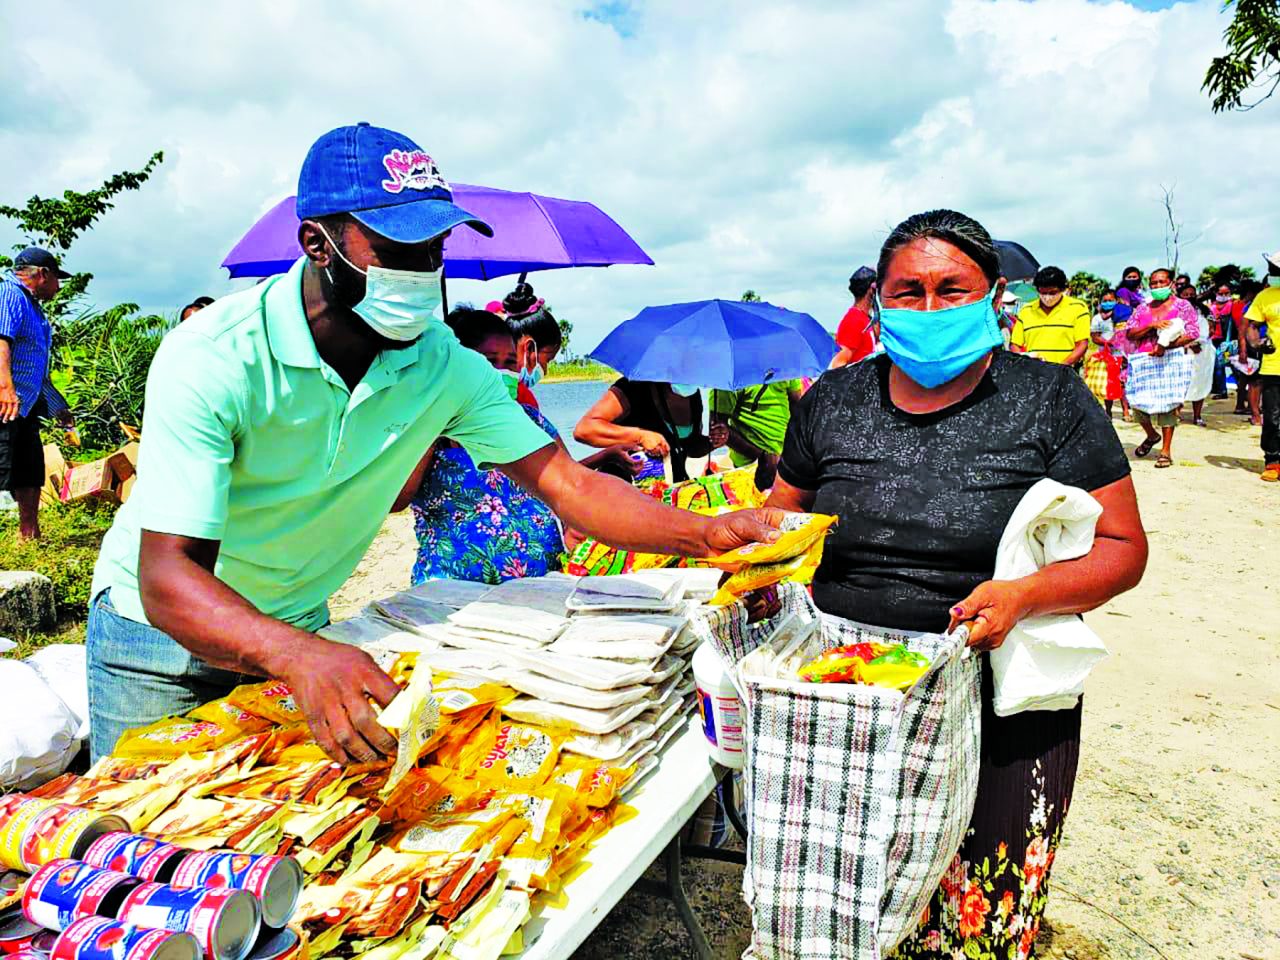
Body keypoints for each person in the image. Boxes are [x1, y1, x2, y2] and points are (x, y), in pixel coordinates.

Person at [86, 123, 783, 764]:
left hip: (299, 624)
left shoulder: (441, 365)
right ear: (317, 244)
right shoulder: (215, 357)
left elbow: (568, 486)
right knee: (145, 859)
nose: (423, 270)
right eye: (395, 250)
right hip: (160, 646)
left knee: (286, 848)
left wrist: (711, 533)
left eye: (435, 248)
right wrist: (296, 654)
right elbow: (169, 578)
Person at [765, 209, 1146, 957]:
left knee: (980, 908)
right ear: (878, 302)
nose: (930, 309)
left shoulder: (1051, 400)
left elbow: (1123, 547)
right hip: (851, 692)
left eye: (952, 289)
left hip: (997, 691)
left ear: (994, 295)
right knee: (848, 892)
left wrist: (1024, 596)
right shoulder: (832, 403)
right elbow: (779, 524)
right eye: (908, 292)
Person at [399, 309, 636, 583]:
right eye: (488, 361)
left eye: (510, 362)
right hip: (453, 594)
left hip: (539, 586)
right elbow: (397, 499)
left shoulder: (530, 420)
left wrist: (573, 523)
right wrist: (435, 420)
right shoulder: (426, 429)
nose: (501, 371)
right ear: (457, 365)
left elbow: (570, 483)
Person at [0, 247, 74, 540]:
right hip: (6, 401)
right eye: (58, 279)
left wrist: (58, 407)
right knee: (2, 465)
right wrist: (4, 388)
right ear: (43, 274)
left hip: (25, 405)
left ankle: (29, 534)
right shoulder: (9, 294)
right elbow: (1, 340)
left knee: (29, 469)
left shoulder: (34, 308)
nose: (58, 287)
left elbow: (34, 368)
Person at [1123, 268, 1201, 468]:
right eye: (1154, 283)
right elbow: (1130, 333)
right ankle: (1151, 435)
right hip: (1144, 358)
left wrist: (1165, 345)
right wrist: (1152, 326)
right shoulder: (1142, 308)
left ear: (1171, 283)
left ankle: (1165, 451)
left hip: (1171, 359)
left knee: (1168, 403)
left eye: (1162, 282)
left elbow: (1192, 332)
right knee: (1138, 403)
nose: (1158, 286)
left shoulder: (1182, 306)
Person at [574, 379, 716, 483]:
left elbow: (689, 447)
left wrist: (713, 442)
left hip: (670, 493)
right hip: (625, 490)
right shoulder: (633, 387)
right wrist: (639, 436)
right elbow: (585, 430)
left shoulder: (692, 396)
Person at [708, 378, 805, 489]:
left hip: (784, 460)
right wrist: (763, 456)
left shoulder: (786, 365)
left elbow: (797, 407)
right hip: (749, 466)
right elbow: (719, 431)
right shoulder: (730, 379)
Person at [1244, 250, 1280, 481]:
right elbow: (1252, 325)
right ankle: (1273, 460)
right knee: (1273, 415)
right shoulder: (1265, 296)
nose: (1271, 274)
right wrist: (1256, 342)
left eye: (1275, 271)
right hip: (1273, 367)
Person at [1010, 265, 1091, 366]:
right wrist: (1023, 363)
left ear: (1062, 289)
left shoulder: (1078, 308)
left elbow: (1082, 344)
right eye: (1043, 293)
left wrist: (1060, 368)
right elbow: (1015, 344)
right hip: (1034, 373)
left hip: (1066, 373)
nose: (1047, 297)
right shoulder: (1026, 311)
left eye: (1052, 293)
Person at [499, 282, 562, 408]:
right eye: (547, 360)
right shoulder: (512, 392)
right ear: (530, 348)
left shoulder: (490, 380)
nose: (545, 370)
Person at [1082, 292, 1125, 417]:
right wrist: (1108, 342)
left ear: (1116, 300)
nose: (1107, 302)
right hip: (1105, 355)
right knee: (1108, 383)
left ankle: (1125, 410)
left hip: (1122, 354)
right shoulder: (1097, 318)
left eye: (1110, 300)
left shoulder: (1122, 315)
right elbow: (1094, 337)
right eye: (1105, 300)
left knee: (1122, 382)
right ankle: (1108, 410)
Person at [1178, 281, 1214, 425]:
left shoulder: (1204, 311)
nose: (1189, 297)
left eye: (1192, 294)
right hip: (1183, 350)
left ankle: (1197, 416)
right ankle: (1176, 413)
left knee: (1200, 382)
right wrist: (1188, 343)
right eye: (1185, 294)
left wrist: (1199, 342)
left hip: (1202, 352)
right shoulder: (1175, 311)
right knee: (1181, 382)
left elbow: (1210, 329)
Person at [830, 265, 879, 368]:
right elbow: (838, 364)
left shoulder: (866, 319)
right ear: (872, 289)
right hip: (860, 383)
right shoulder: (854, 320)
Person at [1234, 279, 1265, 423]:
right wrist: (1243, 349)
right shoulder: (1251, 306)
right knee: (1255, 381)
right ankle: (1255, 414)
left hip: (1272, 346)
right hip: (1255, 347)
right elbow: (1243, 328)